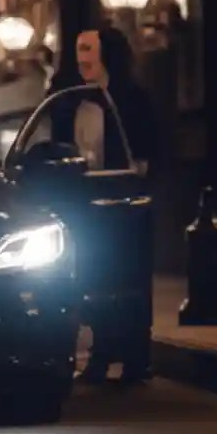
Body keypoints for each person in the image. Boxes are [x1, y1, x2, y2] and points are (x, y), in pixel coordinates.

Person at [46, 25, 158, 383]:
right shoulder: (69, 102)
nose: (82, 57)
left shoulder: (132, 100)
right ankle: (99, 354)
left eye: (88, 48)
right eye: (78, 48)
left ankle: (136, 358)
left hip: (123, 206)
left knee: (128, 283)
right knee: (91, 281)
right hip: (83, 204)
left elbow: (144, 156)